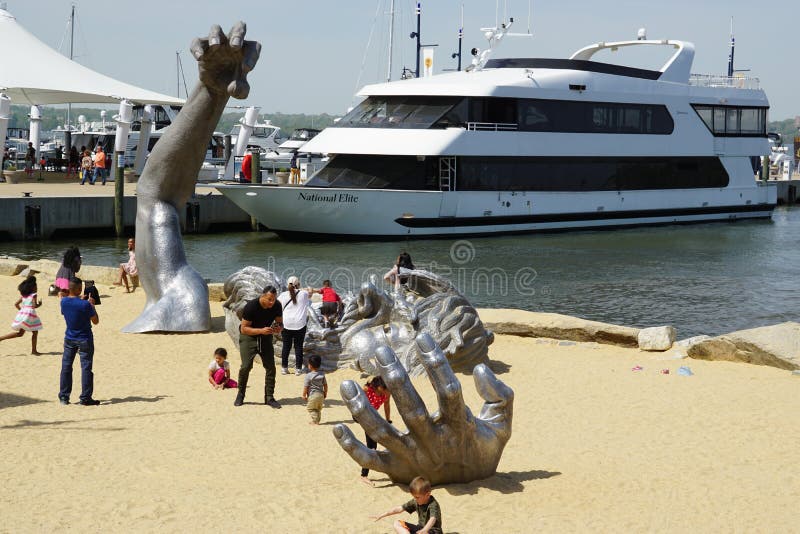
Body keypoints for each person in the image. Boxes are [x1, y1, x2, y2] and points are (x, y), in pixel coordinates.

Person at [235, 285, 283, 408]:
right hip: (249, 337)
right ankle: (240, 394)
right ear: (263, 296)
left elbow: (280, 323)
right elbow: (244, 329)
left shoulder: (277, 305)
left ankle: (269, 397)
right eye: (269, 299)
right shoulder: (252, 306)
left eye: (274, 299)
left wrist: (278, 328)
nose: (272, 302)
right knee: (246, 366)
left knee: (271, 367)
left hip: (265, 336)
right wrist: (261, 330)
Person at [58, 277, 100, 406]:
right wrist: (92, 305)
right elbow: (95, 321)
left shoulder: (63, 302)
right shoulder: (86, 304)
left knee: (66, 367)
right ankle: (85, 397)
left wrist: (79, 300)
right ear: (79, 289)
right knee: (86, 367)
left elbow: (66, 305)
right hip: (85, 338)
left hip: (69, 337)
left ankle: (64, 397)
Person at [371, 476, 443, 534]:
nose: (415, 499)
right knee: (397, 523)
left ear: (427, 495)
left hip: (432, 531)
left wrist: (424, 530)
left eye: (417, 497)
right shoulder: (415, 501)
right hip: (420, 529)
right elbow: (399, 509)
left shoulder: (433, 504)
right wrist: (382, 515)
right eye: (414, 497)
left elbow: (432, 519)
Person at [360, 375, 392, 486]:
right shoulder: (367, 390)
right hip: (361, 416)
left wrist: (388, 420)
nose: (385, 391)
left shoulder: (386, 392)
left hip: (372, 419)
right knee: (371, 447)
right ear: (377, 386)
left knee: (373, 446)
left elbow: (387, 405)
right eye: (383, 388)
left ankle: (365, 473)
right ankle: (364, 475)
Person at [277, 275, 312, 376]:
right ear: (298, 285)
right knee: (298, 347)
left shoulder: (283, 295)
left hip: (286, 323)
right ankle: (298, 369)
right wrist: (302, 288)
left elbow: (277, 305)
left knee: (286, 346)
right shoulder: (303, 294)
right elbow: (310, 290)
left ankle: (284, 368)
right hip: (300, 324)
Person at [0, 275, 43, 354]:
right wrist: (39, 304)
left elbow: (16, 304)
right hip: (30, 314)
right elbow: (34, 306)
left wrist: (22, 311)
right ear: (33, 288)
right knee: (34, 332)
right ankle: (34, 351)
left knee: (21, 333)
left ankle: (1, 338)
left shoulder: (24, 296)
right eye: (36, 287)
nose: (37, 288)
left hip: (23, 314)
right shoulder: (34, 295)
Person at [302, 354, 327, 424]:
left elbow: (306, 387)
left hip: (313, 395)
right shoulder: (322, 374)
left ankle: (315, 421)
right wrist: (325, 393)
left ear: (310, 365)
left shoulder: (308, 376)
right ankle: (317, 420)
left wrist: (304, 395)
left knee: (311, 408)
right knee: (318, 408)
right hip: (321, 395)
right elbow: (325, 385)